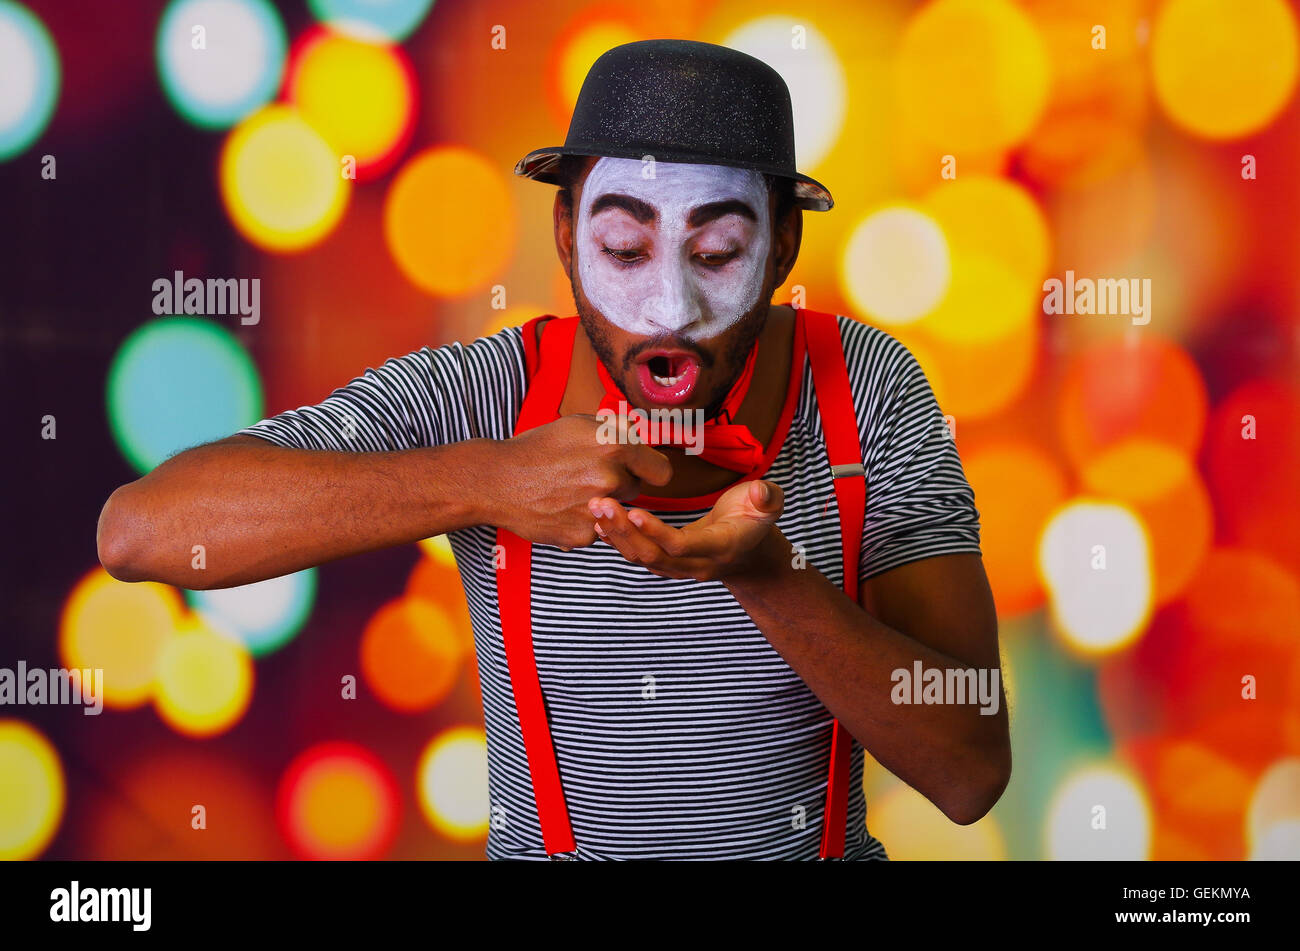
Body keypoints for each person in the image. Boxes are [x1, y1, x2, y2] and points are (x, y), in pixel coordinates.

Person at [97, 38, 1010, 860]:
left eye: (720, 251)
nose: (668, 309)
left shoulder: (867, 391)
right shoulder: (489, 395)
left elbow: (970, 772)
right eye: (623, 245)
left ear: (782, 249)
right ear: (568, 238)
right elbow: (141, 533)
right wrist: (487, 480)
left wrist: (770, 577)